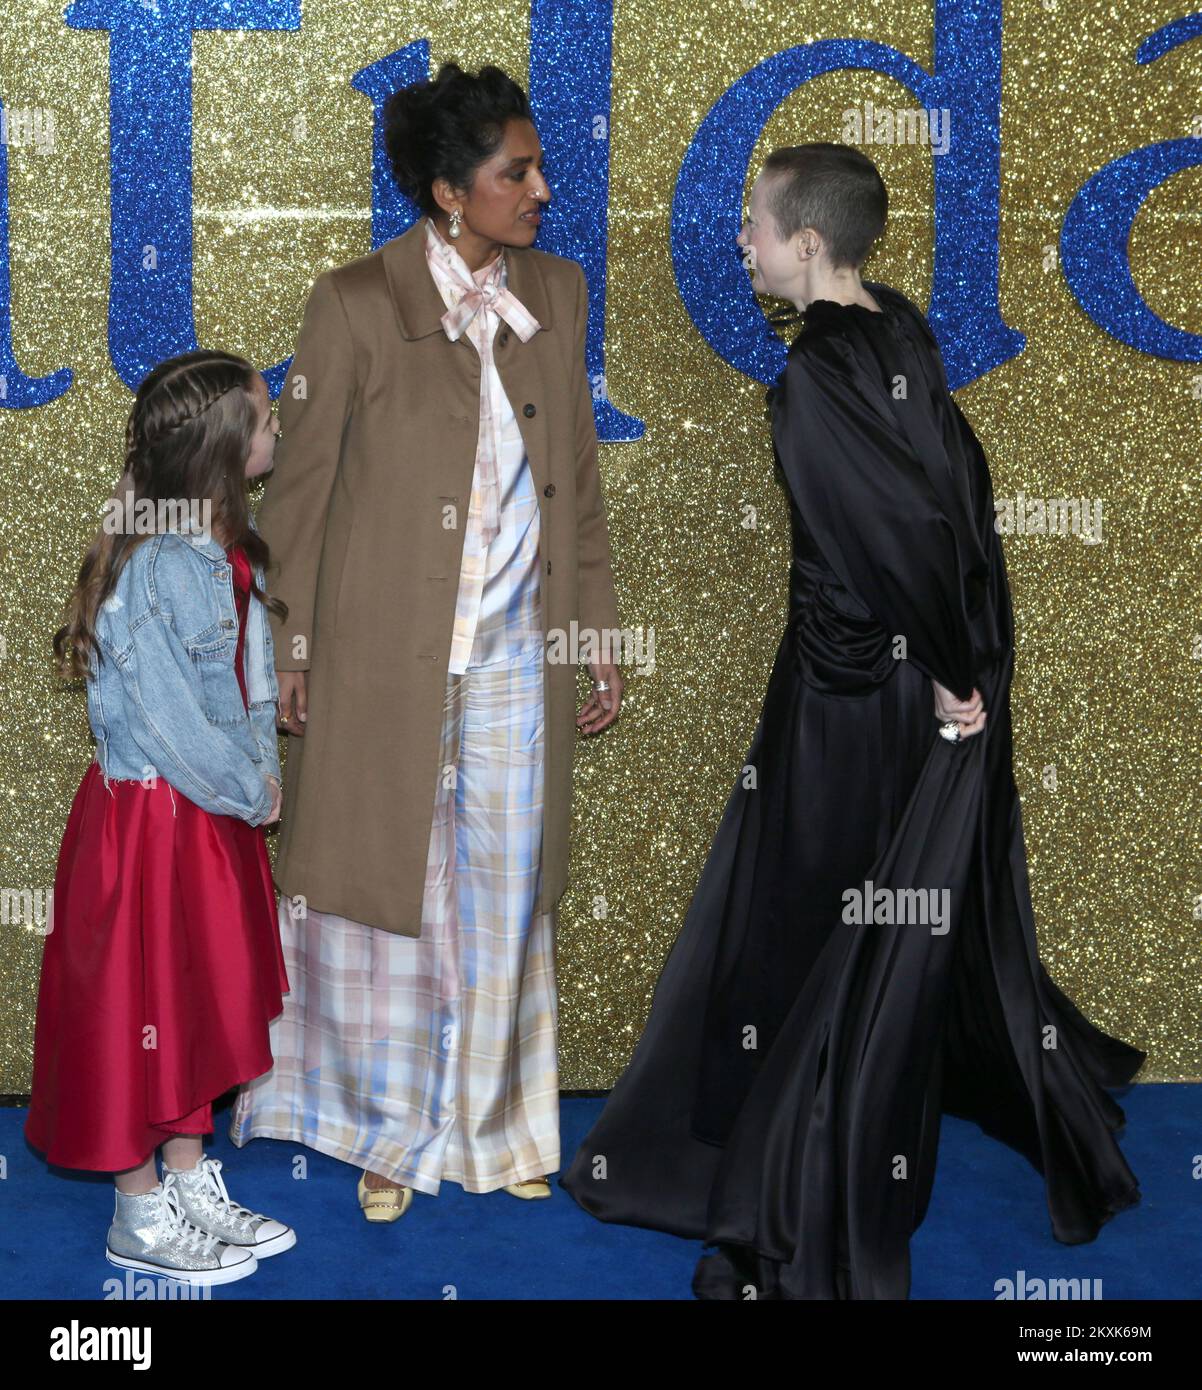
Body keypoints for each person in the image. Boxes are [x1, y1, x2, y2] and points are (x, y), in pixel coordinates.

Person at [559, 143, 1144, 1299]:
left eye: (753, 224)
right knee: (870, 918)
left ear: (806, 243)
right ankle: (839, 1141)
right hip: (907, 681)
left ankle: (794, 1200)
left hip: (847, 691)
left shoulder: (819, 372)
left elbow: (885, 533)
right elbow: (955, 503)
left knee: (812, 920)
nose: (741, 241)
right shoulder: (899, 328)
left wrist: (928, 660)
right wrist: (957, 657)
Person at [228, 62, 623, 1220]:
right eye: (517, 172)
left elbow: (578, 487)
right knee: (384, 892)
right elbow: (292, 499)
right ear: (450, 191)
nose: (542, 189)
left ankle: (500, 1129)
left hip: (515, 653)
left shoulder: (555, 289)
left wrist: (594, 627)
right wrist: (283, 652)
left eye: (537, 166)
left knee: (504, 888)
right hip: (376, 659)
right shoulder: (353, 301)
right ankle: (384, 1135)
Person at [25, 350, 297, 1285]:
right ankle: (136, 1210)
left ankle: (186, 1177)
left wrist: (262, 773)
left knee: (193, 1006)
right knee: (137, 1009)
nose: (276, 432)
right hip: (150, 828)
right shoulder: (149, 573)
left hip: (207, 823)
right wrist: (249, 791)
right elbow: (173, 726)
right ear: (223, 450)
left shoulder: (230, 554)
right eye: (264, 421)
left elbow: (253, 687)